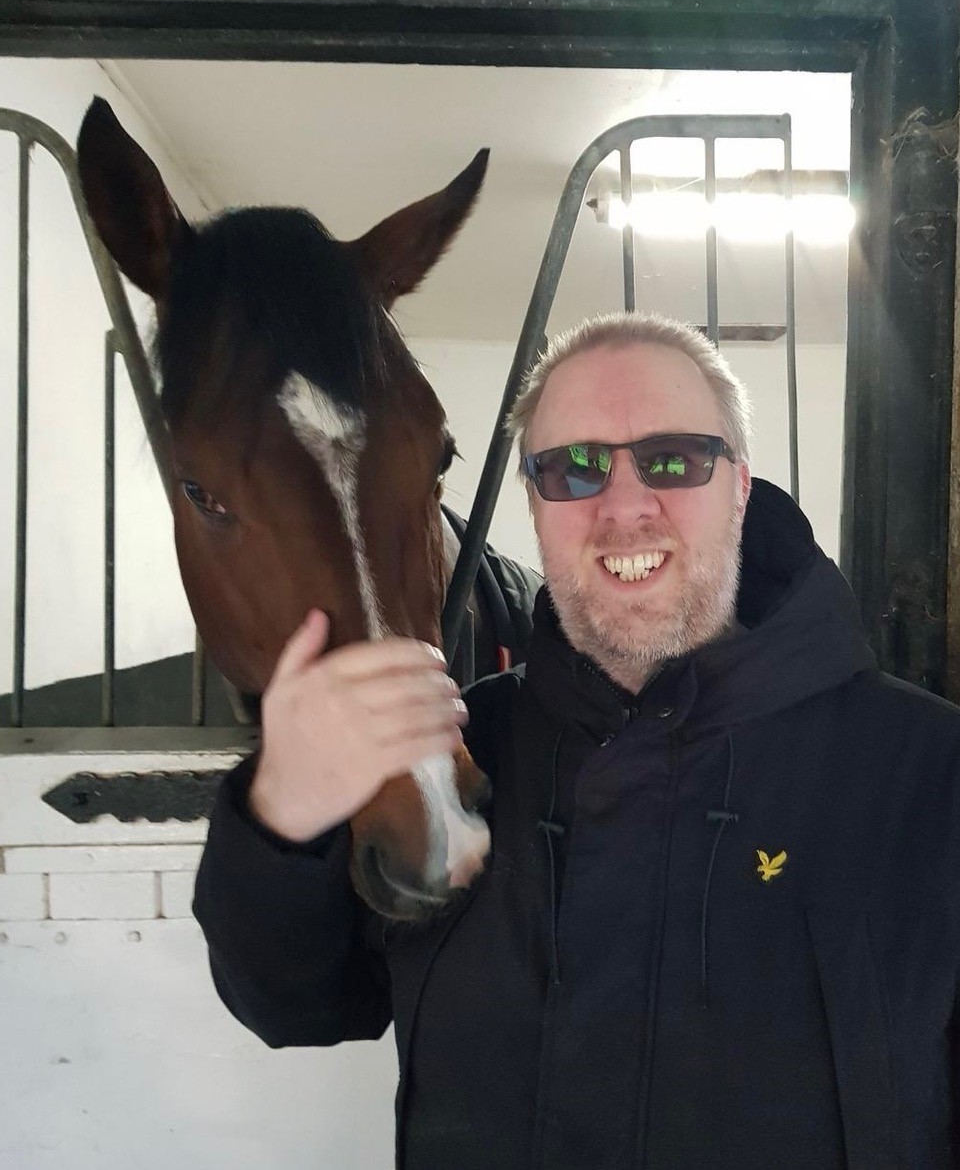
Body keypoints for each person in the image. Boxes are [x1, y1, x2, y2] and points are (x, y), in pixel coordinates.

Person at [194, 312, 960, 1169]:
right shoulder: (455, 752)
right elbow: (295, 1006)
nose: (625, 506)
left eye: (675, 459)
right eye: (574, 468)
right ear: (534, 502)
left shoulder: (927, 775)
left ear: (740, 487)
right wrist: (280, 816)